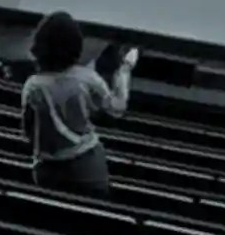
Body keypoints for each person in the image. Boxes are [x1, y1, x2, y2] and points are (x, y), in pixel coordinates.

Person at [21, 11, 139, 198]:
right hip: (87, 168)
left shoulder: (32, 86)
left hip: (47, 170)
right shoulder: (87, 79)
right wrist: (124, 70)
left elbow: (28, 132)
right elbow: (117, 109)